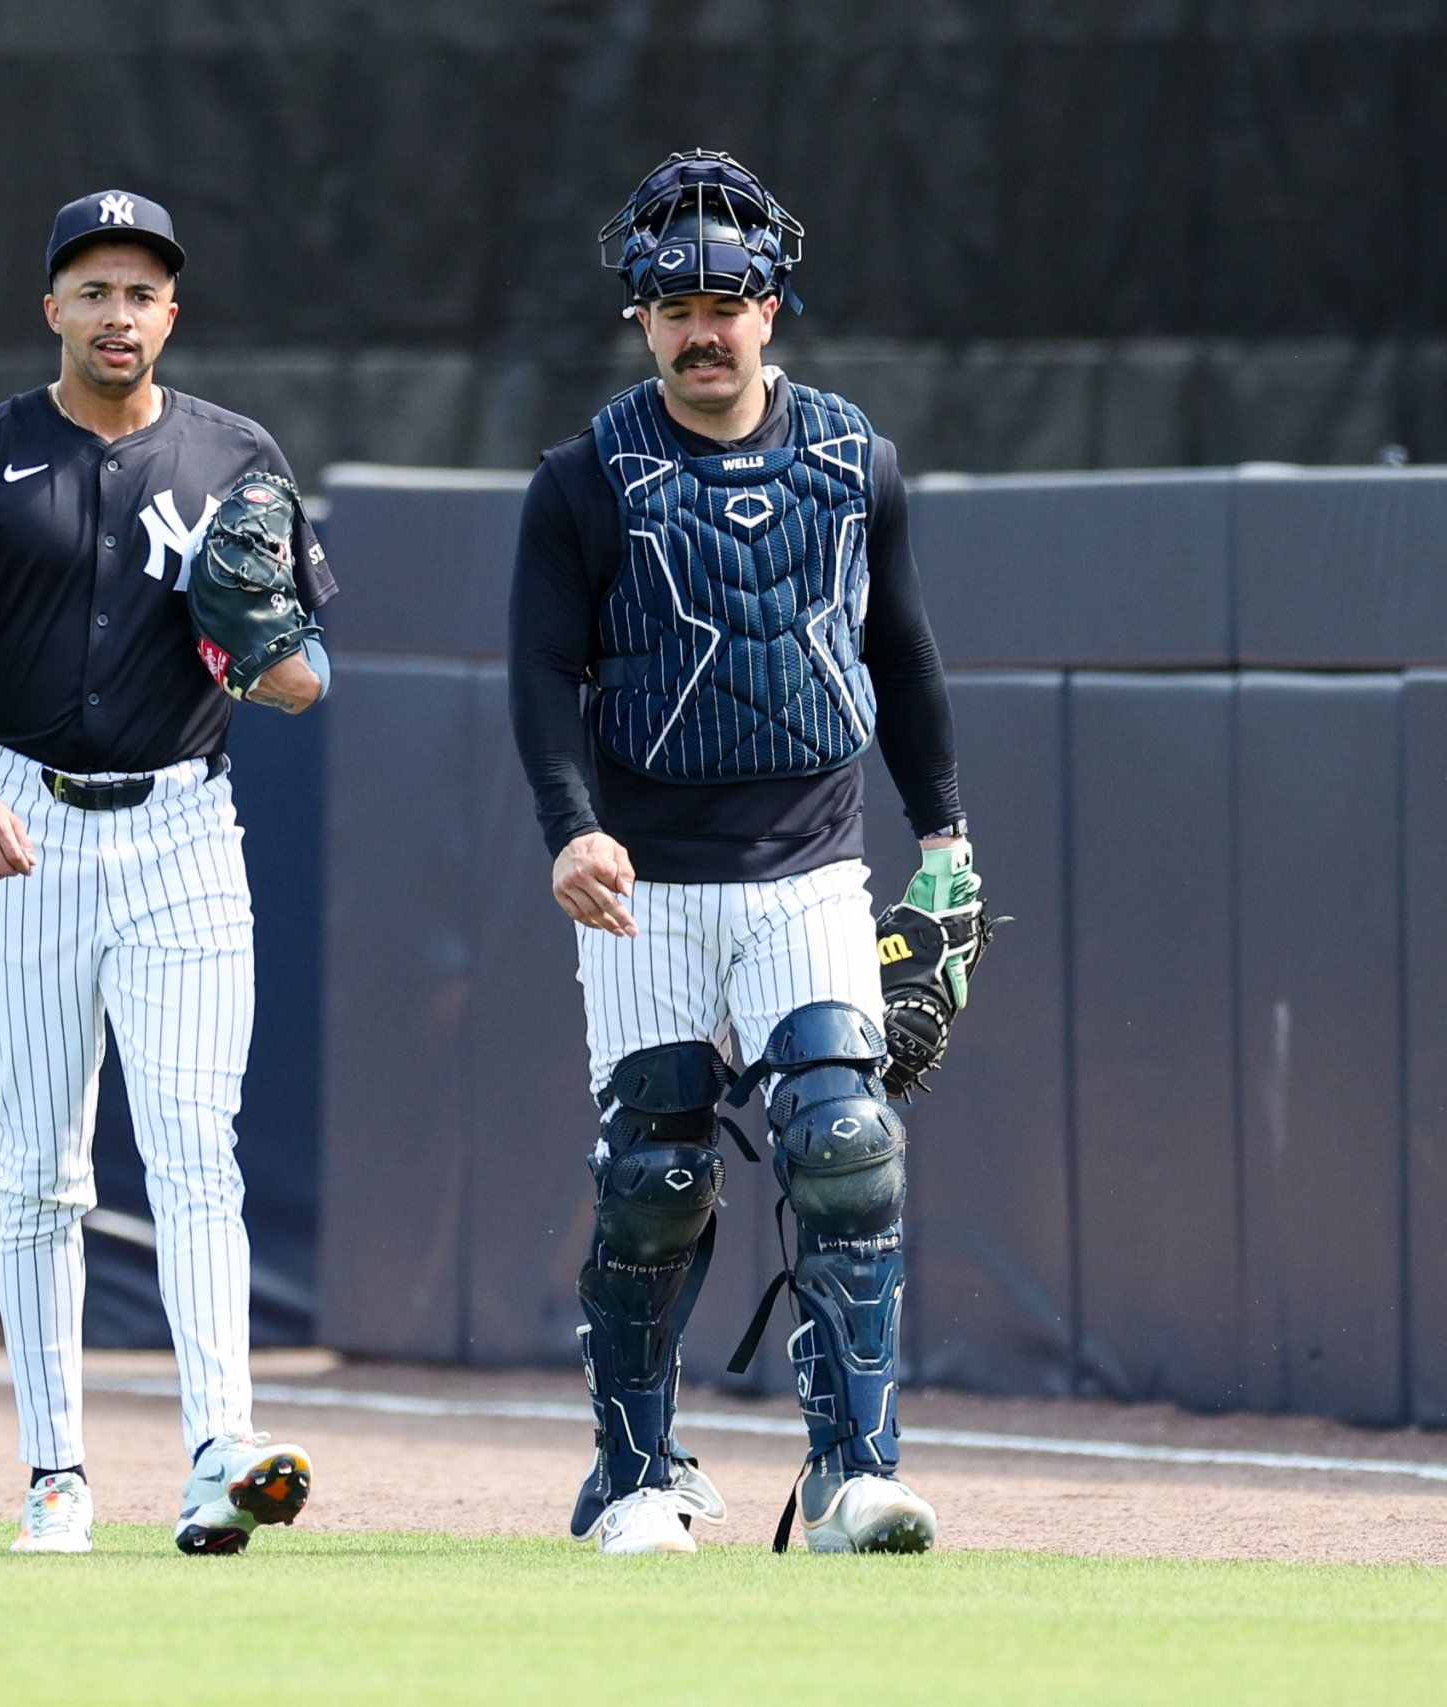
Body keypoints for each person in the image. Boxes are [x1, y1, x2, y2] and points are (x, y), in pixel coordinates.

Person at [506, 151, 987, 1555]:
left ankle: (854, 1476)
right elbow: (540, 673)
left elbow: (898, 651)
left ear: (773, 306)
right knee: (654, 1177)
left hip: (810, 866)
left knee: (845, 1145)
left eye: (729, 301)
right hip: (647, 876)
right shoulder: (583, 480)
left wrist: (945, 832)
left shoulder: (855, 459)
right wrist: (567, 825)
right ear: (640, 322)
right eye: (675, 307)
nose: (703, 329)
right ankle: (636, 1476)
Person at [0, 189, 335, 1555]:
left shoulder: (238, 457)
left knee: (198, 1150)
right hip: (22, 814)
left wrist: (258, 638)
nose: (118, 314)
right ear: (53, 310)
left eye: (142, 291)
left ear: (171, 312)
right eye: (94, 289)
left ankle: (218, 1452)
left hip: (186, 827)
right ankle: (55, 1477)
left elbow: (305, 681)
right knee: (42, 1172)